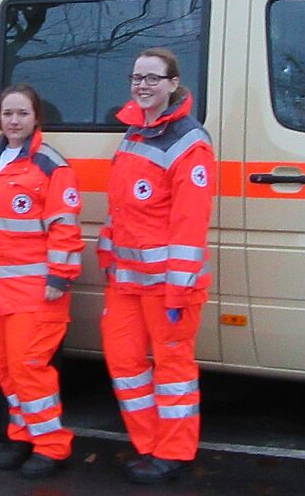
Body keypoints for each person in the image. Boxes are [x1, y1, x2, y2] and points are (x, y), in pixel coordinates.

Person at [97, 47, 215, 484]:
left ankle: (175, 452)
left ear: (173, 84)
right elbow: (120, 207)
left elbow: (190, 225)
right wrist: (108, 255)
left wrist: (178, 290)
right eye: (136, 77)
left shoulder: (189, 142)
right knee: (124, 361)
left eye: (152, 78)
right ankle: (148, 444)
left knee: (172, 370)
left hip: (168, 286)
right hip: (126, 281)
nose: (142, 85)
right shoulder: (135, 132)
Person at [0, 84, 84, 479]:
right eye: (8, 113)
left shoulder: (50, 166)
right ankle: (22, 435)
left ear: (36, 118)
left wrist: (60, 277)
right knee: (6, 369)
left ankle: (51, 446)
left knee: (29, 368)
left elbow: (64, 227)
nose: (14, 121)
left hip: (36, 292)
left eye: (22, 113)